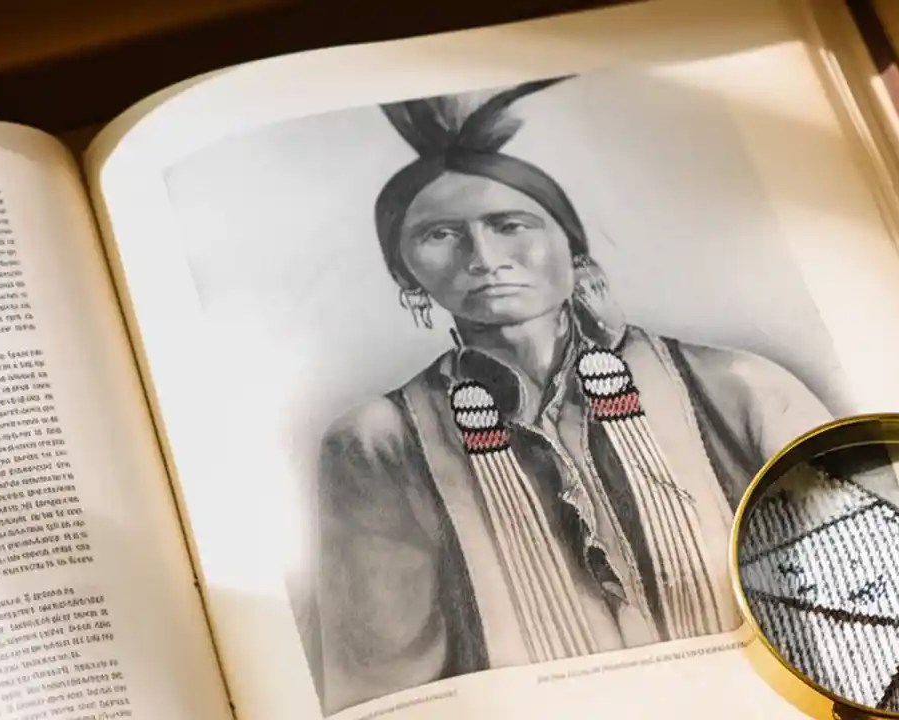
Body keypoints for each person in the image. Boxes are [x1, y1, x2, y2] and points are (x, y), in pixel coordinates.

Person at [304, 78, 834, 714]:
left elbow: (858, 589)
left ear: (572, 248)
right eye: (440, 235)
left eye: (510, 225)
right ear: (405, 274)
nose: (484, 257)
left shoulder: (737, 387)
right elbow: (385, 685)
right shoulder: (379, 439)